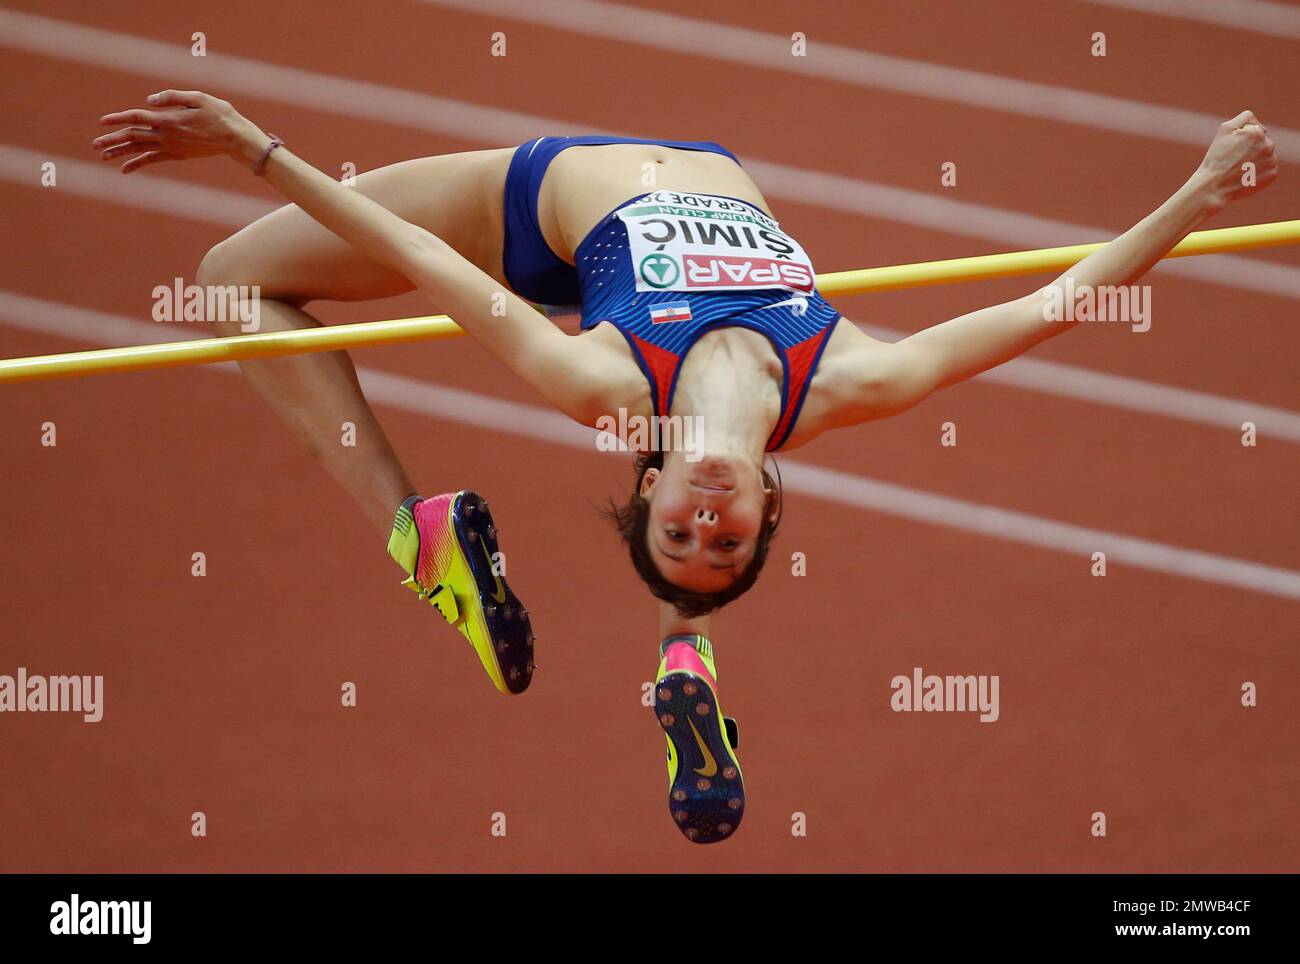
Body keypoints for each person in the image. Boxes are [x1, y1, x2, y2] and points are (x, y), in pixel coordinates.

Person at [94, 91, 1276, 842]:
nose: (706, 518)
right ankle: (681, 648)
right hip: (710, 164)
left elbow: (413, 253)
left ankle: (420, 536)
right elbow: (1058, 301)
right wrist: (1198, 189)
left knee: (232, 278)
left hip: (532, 203)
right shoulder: (850, 378)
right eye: (728, 538)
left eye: (679, 533)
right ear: (771, 506)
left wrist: (255, 148)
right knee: (712, 440)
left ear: (644, 486)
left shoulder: (604, 386)